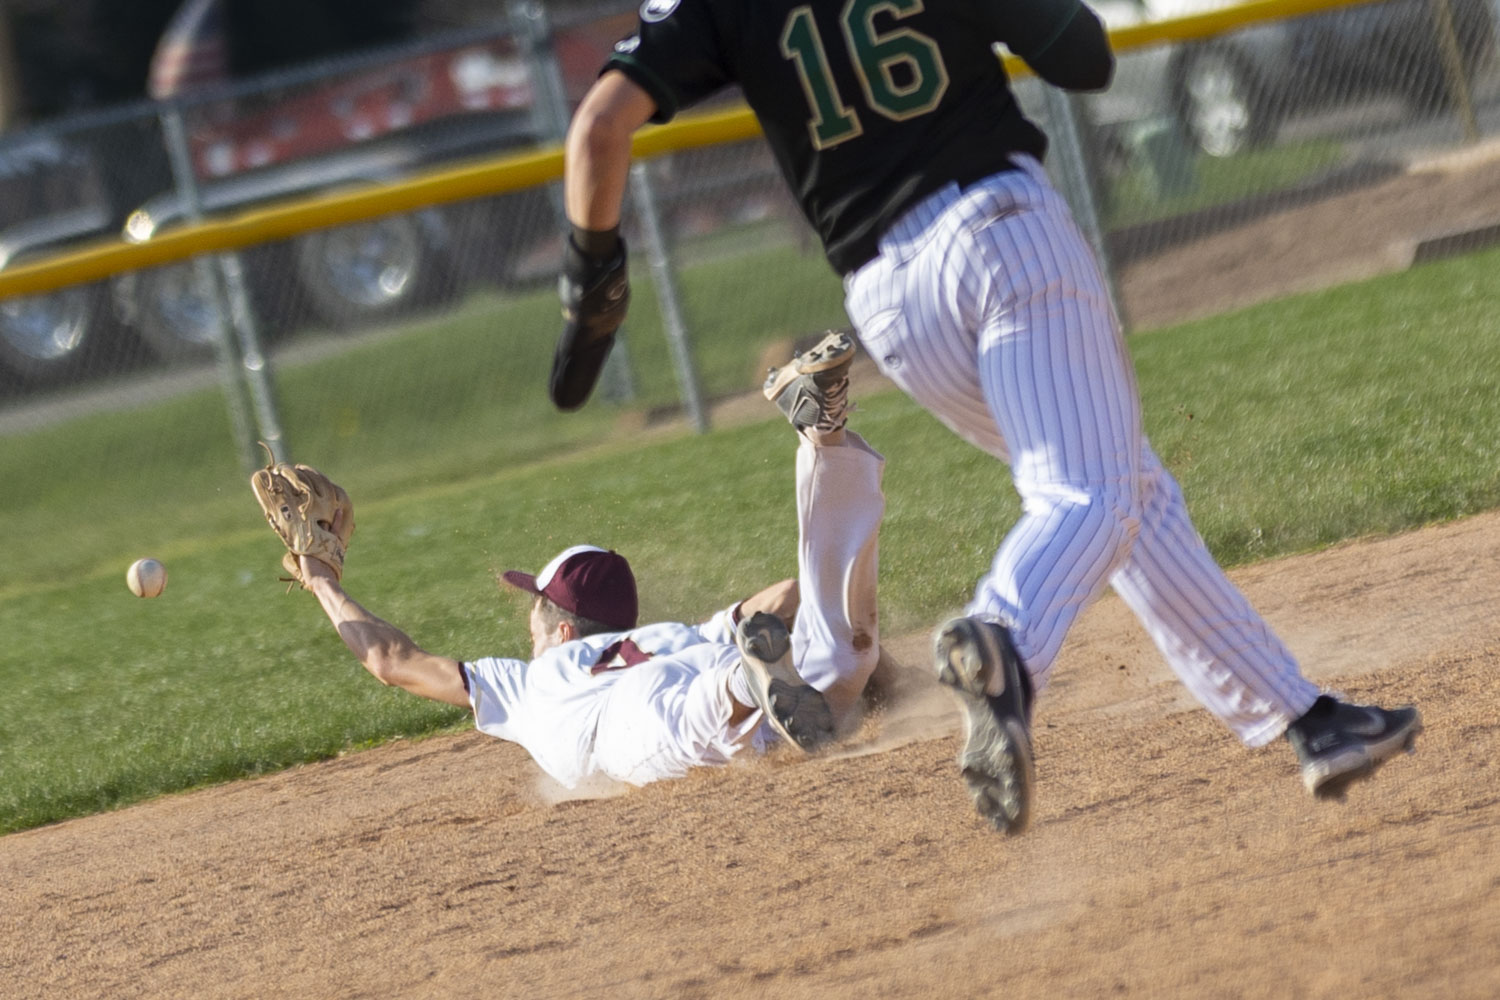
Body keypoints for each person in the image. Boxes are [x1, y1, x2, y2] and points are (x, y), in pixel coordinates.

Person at [548, 0, 1421, 832]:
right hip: (1002, 237)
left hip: (890, 304)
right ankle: (1001, 641)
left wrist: (592, 277)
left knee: (1123, 491)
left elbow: (598, 128)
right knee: (1089, 492)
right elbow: (1080, 55)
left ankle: (1305, 720)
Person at [300, 333, 884, 788]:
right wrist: (796, 603)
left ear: (560, 628)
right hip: (705, 662)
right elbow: (783, 593)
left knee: (681, 729)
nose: (526, 626)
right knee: (840, 648)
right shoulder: (668, 635)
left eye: (533, 608)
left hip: (636, 719)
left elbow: (392, 660)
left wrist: (320, 579)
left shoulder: (530, 682)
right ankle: (823, 439)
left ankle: (745, 683)